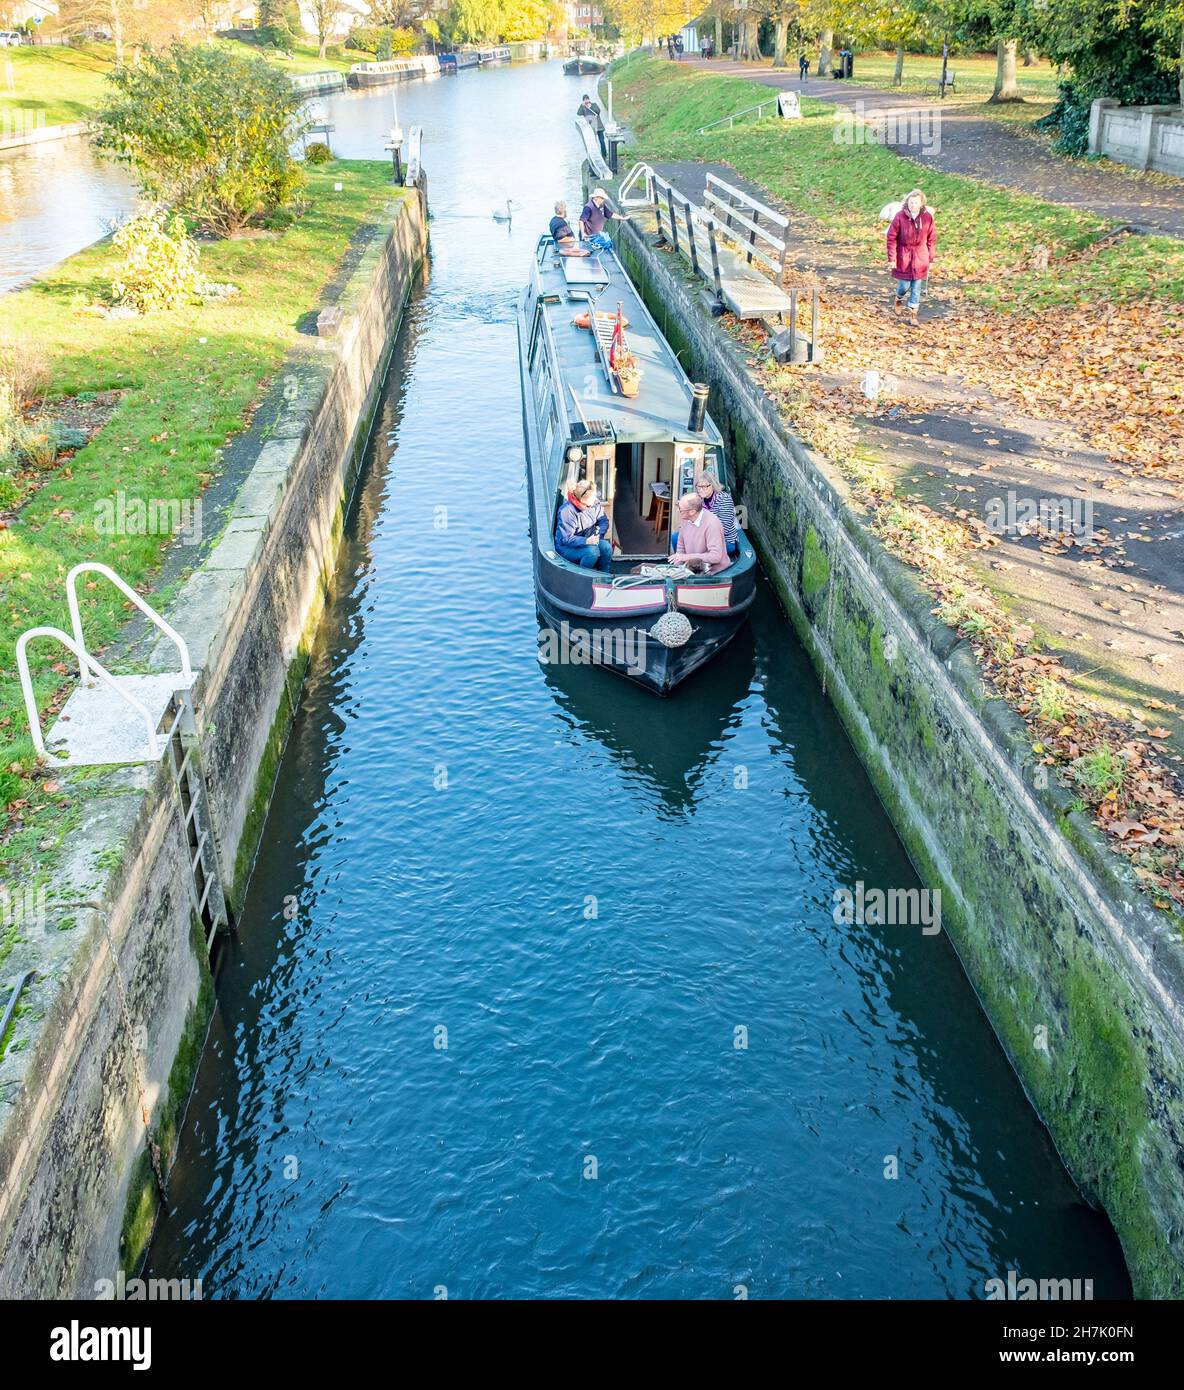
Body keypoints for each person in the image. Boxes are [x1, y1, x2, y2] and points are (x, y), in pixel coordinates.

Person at [886, 188, 936, 325]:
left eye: (916, 203)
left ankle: (913, 313)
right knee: (904, 285)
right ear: (907, 202)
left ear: (921, 204)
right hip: (904, 255)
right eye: (911, 202)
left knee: (916, 286)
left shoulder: (927, 218)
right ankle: (898, 297)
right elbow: (891, 238)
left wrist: (931, 258)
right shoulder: (899, 217)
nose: (913, 205)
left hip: (921, 256)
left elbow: (932, 239)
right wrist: (892, 258)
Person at [556, 478, 613, 571]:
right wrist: (586, 541)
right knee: (592, 552)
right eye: (592, 497)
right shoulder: (567, 511)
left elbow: (603, 521)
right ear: (583, 499)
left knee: (607, 548)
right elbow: (566, 539)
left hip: (589, 538)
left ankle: (604, 574)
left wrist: (598, 534)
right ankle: (583, 574)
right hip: (566, 547)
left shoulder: (594, 503)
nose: (595, 499)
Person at [671, 493, 730, 575]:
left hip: (713, 572)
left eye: (680, 509)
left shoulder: (712, 524)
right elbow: (681, 545)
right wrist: (679, 565)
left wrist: (686, 557)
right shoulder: (685, 518)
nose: (678, 511)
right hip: (691, 568)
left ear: (692, 512)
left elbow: (716, 557)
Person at [580, 187, 628, 253]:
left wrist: (621, 218)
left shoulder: (602, 205)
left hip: (599, 236)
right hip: (590, 237)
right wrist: (583, 233)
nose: (603, 200)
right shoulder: (588, 207)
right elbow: (581, 221)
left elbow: (610, 214)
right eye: (602, 198)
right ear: (596, 197)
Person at [578, 93, 607, 159]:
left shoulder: (594, 105)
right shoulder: (583, 108)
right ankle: (595, 156)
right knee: (593, 143)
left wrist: (590, 106)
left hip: (599, 126)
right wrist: (581, 106)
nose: (586, 101)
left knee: (602, 141)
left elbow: (598, 111)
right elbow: (579, 113)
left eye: (587, 99)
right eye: (585, 100)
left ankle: (604, 154)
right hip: (591, 128)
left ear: (589, 99)